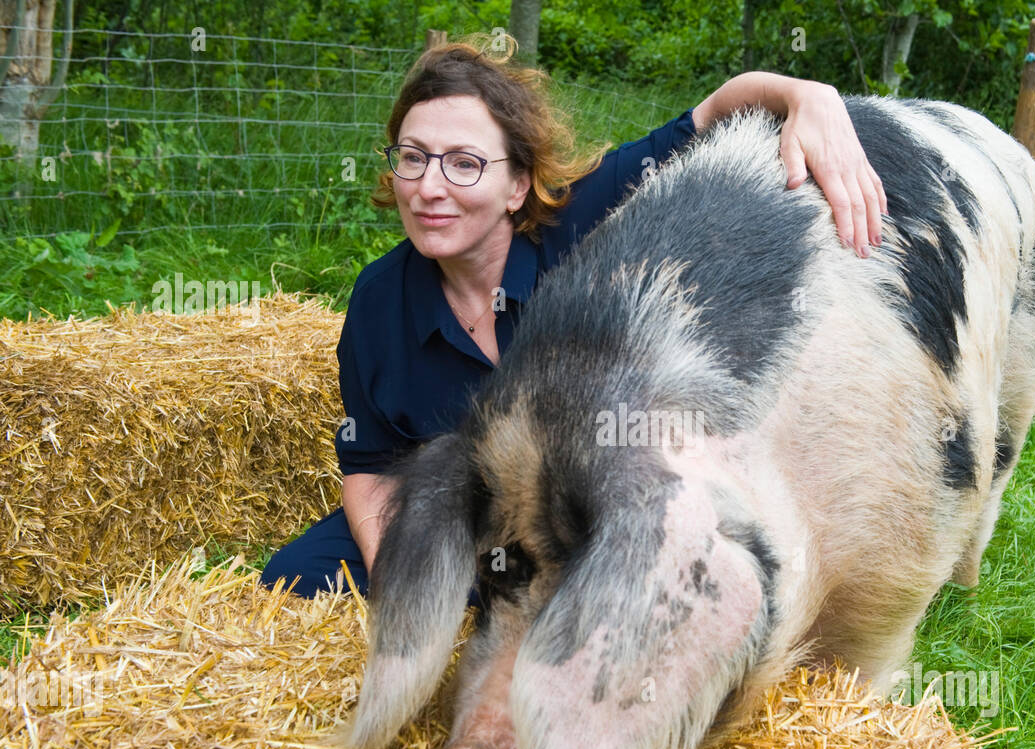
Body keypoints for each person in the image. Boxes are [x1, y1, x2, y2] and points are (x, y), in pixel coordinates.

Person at [260, 32, 887, 600]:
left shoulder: (590, 218)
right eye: (413, 157)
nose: (429, 186)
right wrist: (399, 580)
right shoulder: (377, 301)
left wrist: (812, 97)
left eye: (464, 163)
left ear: (517, 185)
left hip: (582, 509)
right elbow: (371, 473)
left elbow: (717, 109)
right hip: (456, 519)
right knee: (293, 579)